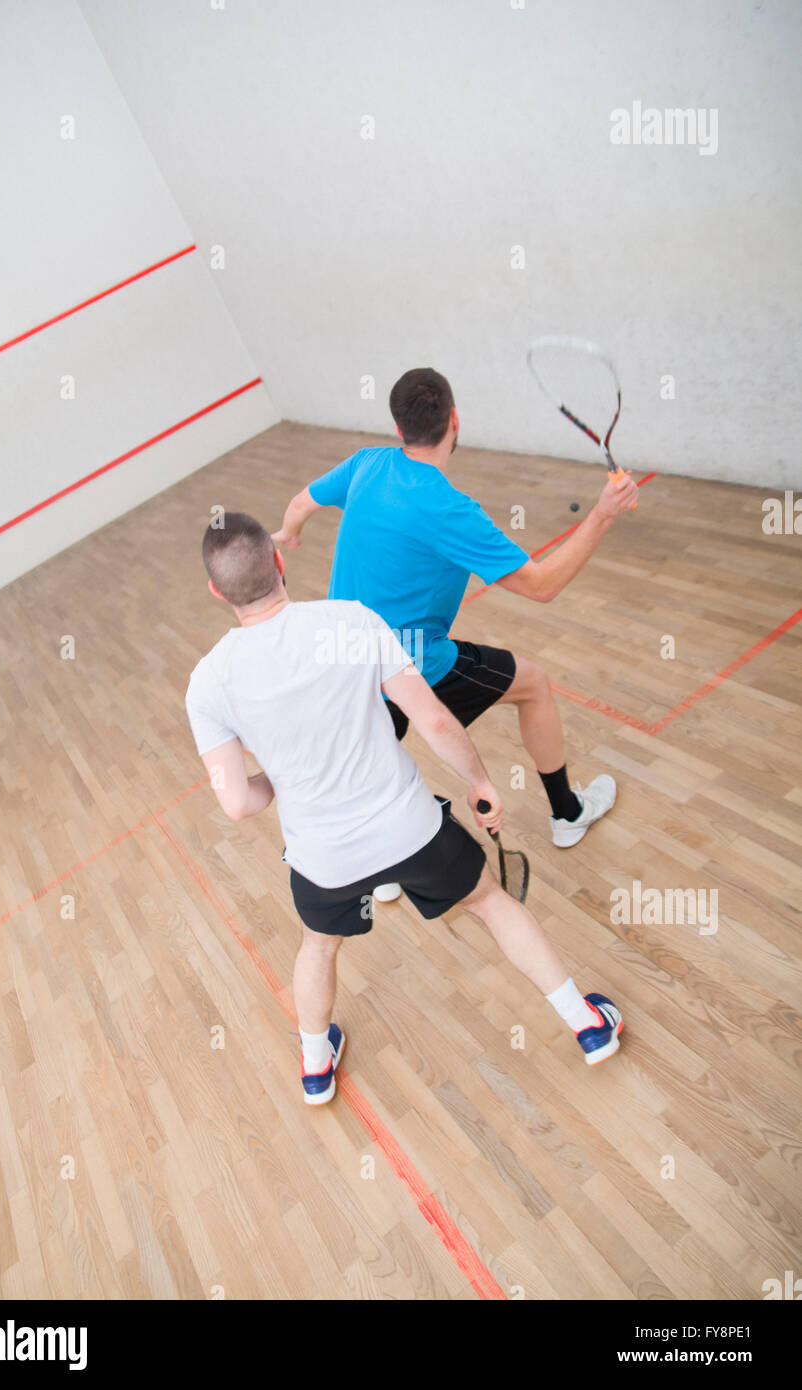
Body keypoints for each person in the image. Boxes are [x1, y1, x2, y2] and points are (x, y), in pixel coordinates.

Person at [185, 512, 623, 1106]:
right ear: (279, 562)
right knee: (491, 902)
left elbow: (237, 803)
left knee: (319, 944)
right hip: (411, 830)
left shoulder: (209, 683)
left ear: (216, 590)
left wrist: (286, 778)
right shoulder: (352, 621)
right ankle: (588, 1025)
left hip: (324, 860)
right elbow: (434, 719)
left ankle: (315, 1067)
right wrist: (479, 782)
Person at [272, 366, 640, 898]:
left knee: (375, 747)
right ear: (455, 420)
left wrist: (288, 532)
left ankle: (380, 871)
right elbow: (542, 586)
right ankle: (567, 813)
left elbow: (302, 502)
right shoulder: (452, 511)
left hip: (342, 660)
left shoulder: (365, 464)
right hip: (413, 664)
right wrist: (604, 514)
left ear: (397, 428)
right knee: (532, 684)